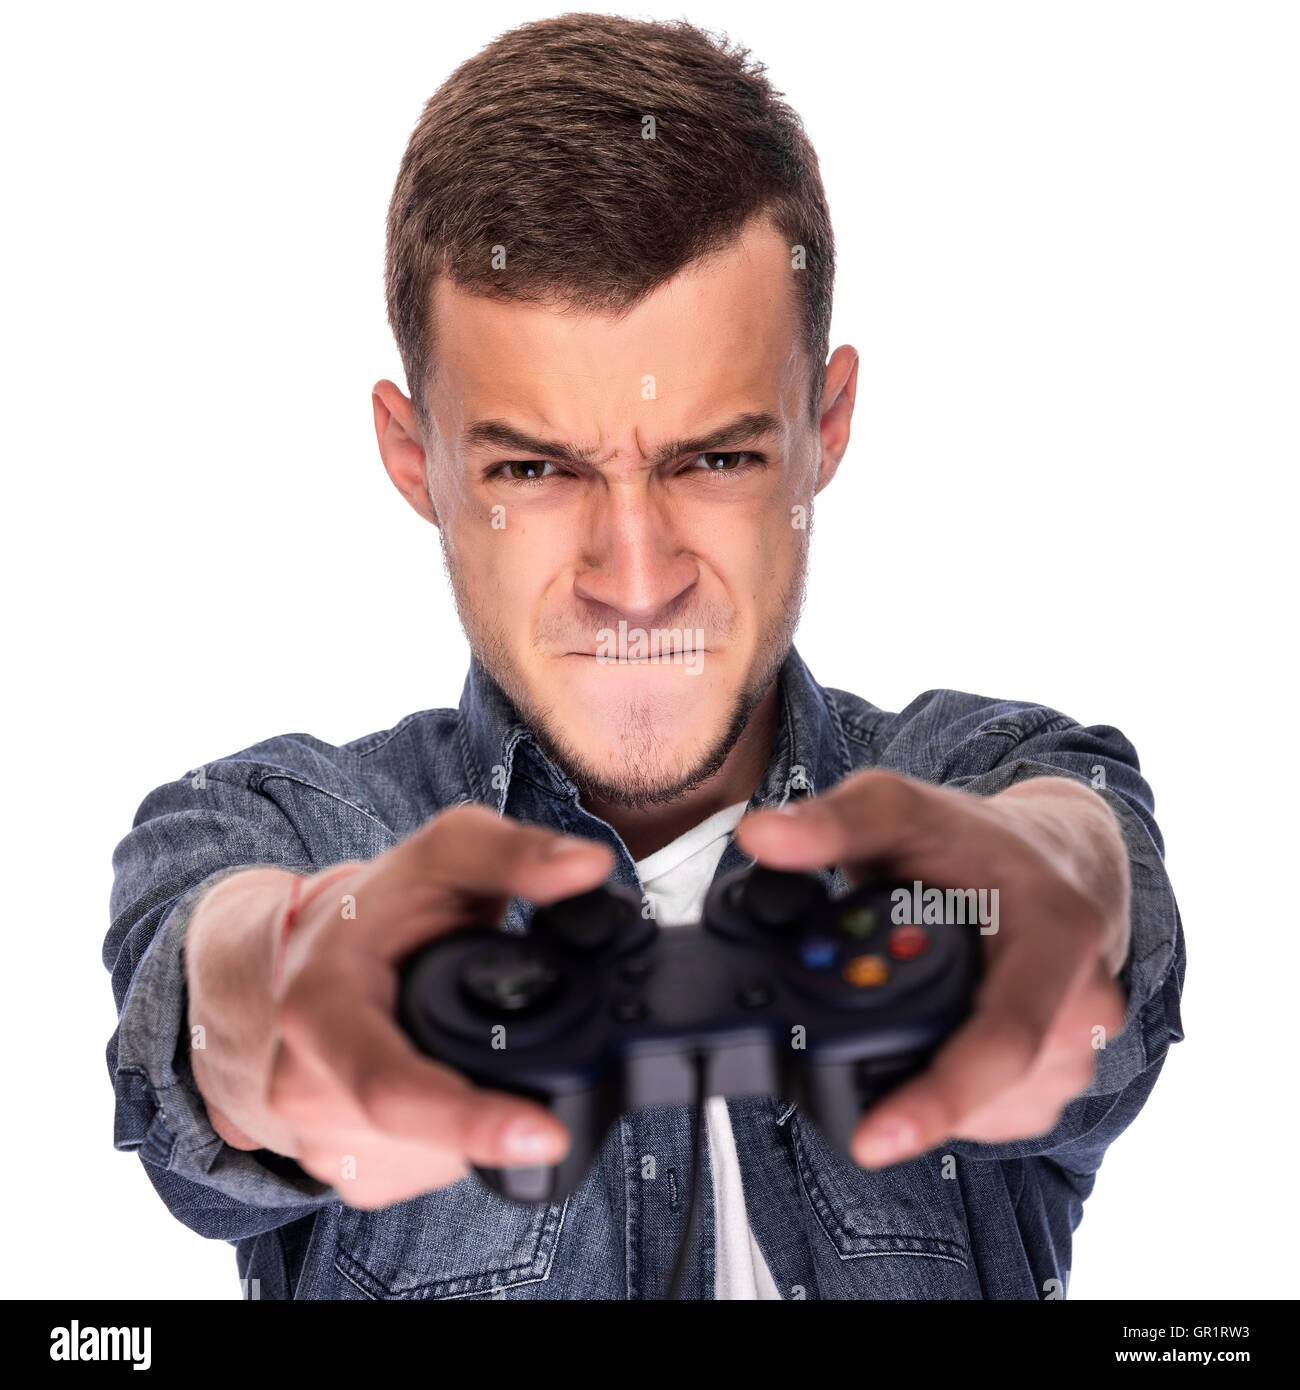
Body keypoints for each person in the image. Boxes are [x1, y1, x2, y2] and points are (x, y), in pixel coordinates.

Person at [104, 13, 1185, 1300]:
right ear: (416, 461)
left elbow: (1079, 868)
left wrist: (1033, 908)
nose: (635, 575)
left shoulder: (978, 774)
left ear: (824, 426)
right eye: (535, 469)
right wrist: (280, 998)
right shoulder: (284, 825)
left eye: (714, 458)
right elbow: (217, 985)